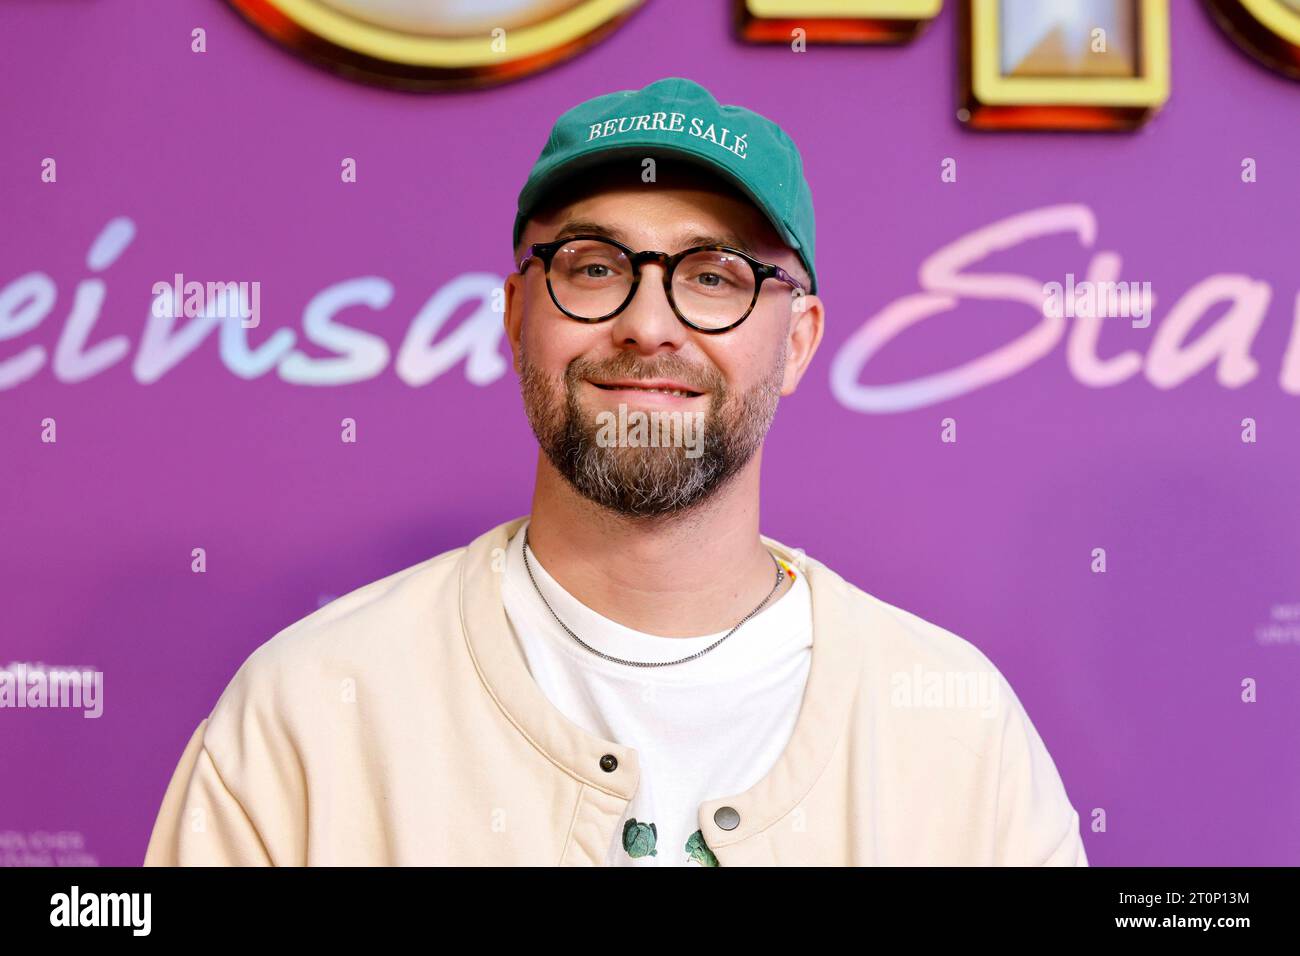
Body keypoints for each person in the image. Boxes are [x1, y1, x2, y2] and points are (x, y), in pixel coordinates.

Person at [143, 76, 1088, 867]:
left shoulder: (959, 732)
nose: (649, 323)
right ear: (518, 317)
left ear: (797, 343)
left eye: (714, 275)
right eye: (595, 268)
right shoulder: (308, 711)